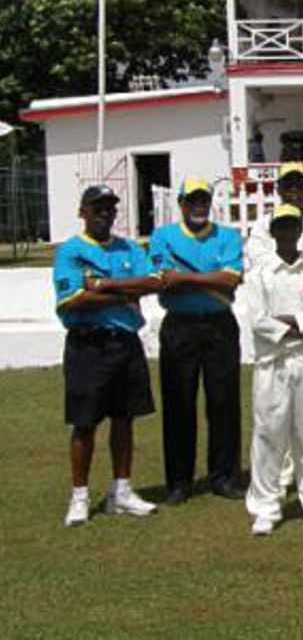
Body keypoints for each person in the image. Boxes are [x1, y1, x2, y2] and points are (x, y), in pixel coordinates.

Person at [54, 185, 162, 527]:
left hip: (125, 342)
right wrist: (125, 293)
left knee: (125, 418)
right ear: (83, 211)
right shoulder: (71, 251)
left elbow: (154, 282)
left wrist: (101, 285)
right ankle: (80, 495)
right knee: (84, 423)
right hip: (89, 345)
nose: (104, 215)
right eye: (97, 208)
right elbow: (73, 300)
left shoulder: (129, 248)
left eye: (110, 209)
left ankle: (121, 491)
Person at [243, 204, 303, 535]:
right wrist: (300, 324)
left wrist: (292, 322)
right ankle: (266, 505)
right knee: (270, 434)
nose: (286, 233)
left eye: (292, 227)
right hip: (273, 362)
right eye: (280, 227)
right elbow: (257, 320)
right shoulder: (259, 274)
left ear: (300, 231)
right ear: (273, 233)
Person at [149, 177, 244, 505]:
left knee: (224, 403)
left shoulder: (228, 236)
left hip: (219, 325)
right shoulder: (163, 237)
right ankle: (178, 481)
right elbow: (165, 281)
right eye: (193, 201)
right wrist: (213, 280)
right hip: (180, 326)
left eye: (203, 200)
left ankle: (224, 476)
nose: (199, 206)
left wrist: (185, 277)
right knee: (178, 403)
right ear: (182, 204)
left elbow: (232, 278)